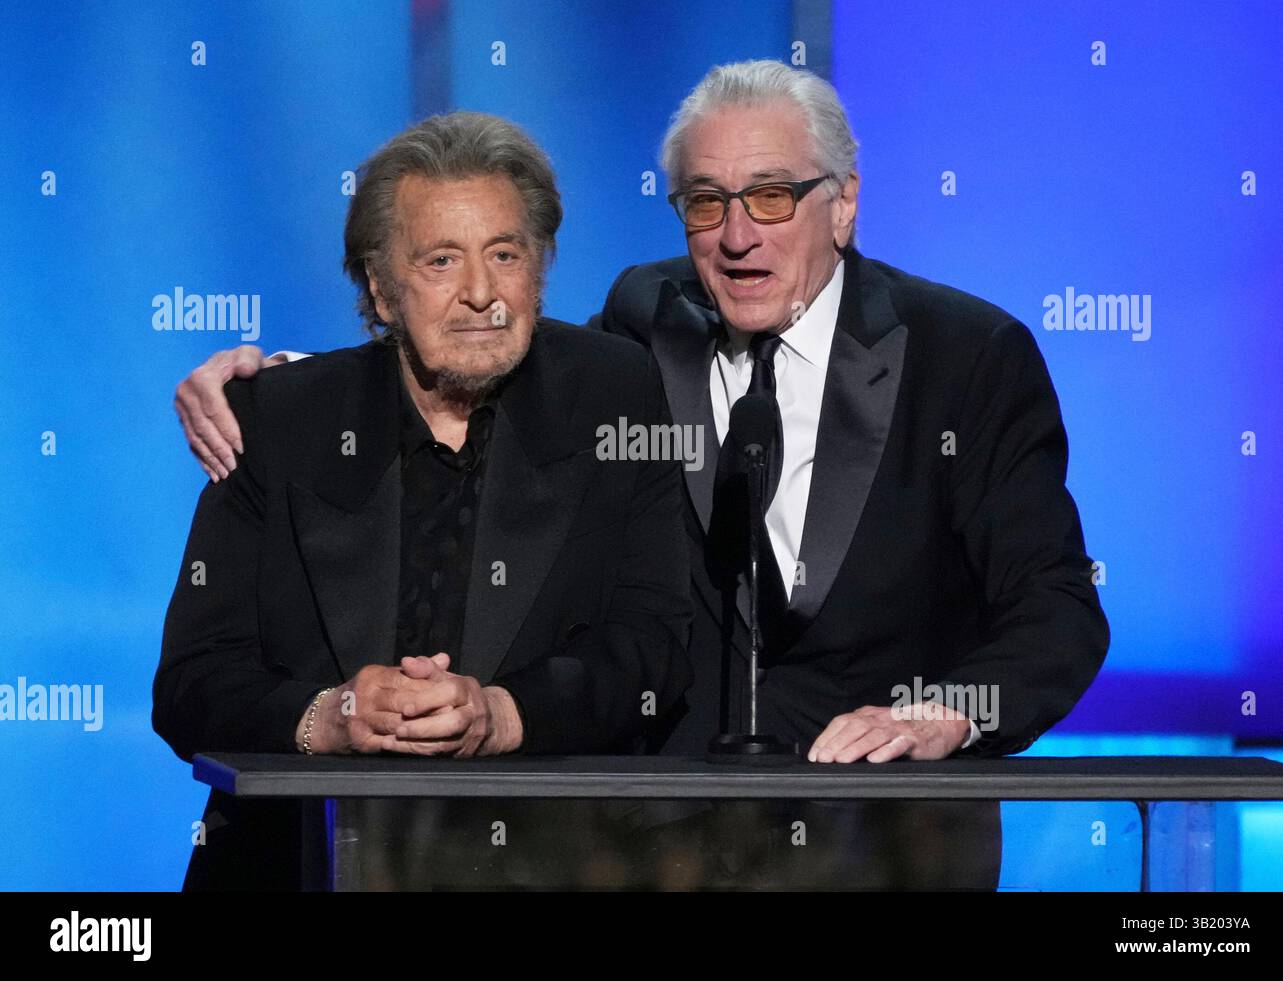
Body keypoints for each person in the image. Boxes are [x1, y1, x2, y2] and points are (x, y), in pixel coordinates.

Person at [174, 61, 1109, 888]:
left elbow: (1058, 607)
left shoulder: (968, 355)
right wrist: (295, 384)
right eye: (707, 200)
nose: (737, 234)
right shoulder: (646, 316)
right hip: (660, 842)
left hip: (882, 844)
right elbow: (486, 344)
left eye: (774, 195)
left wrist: (950, 711)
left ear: (846, 201)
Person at [155, 111, 693, 890]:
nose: (481, 293)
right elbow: (189, 683)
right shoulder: (278, 417)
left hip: (545, 863)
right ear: (380, 287)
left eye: (505, 254)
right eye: (441, 260)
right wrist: (331, 718)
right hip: (298, 863)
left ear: (539, 268)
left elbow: (653, 645)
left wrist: (502, 714)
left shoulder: (615, 393)